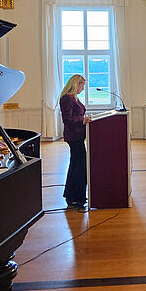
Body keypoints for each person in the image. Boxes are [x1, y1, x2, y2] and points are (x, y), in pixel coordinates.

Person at [59, 74, 93, 210]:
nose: (83, 88)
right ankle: (73, 197)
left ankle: (76, 196)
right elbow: (66, 119)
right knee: (78, 166)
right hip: (74, 137)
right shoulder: (67, 98)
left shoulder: (73, 98)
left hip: (78, 136)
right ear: (76, 84)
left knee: (78, 166)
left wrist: (83, 119)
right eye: (82, 85)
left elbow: (76, 116)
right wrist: (83, 120)